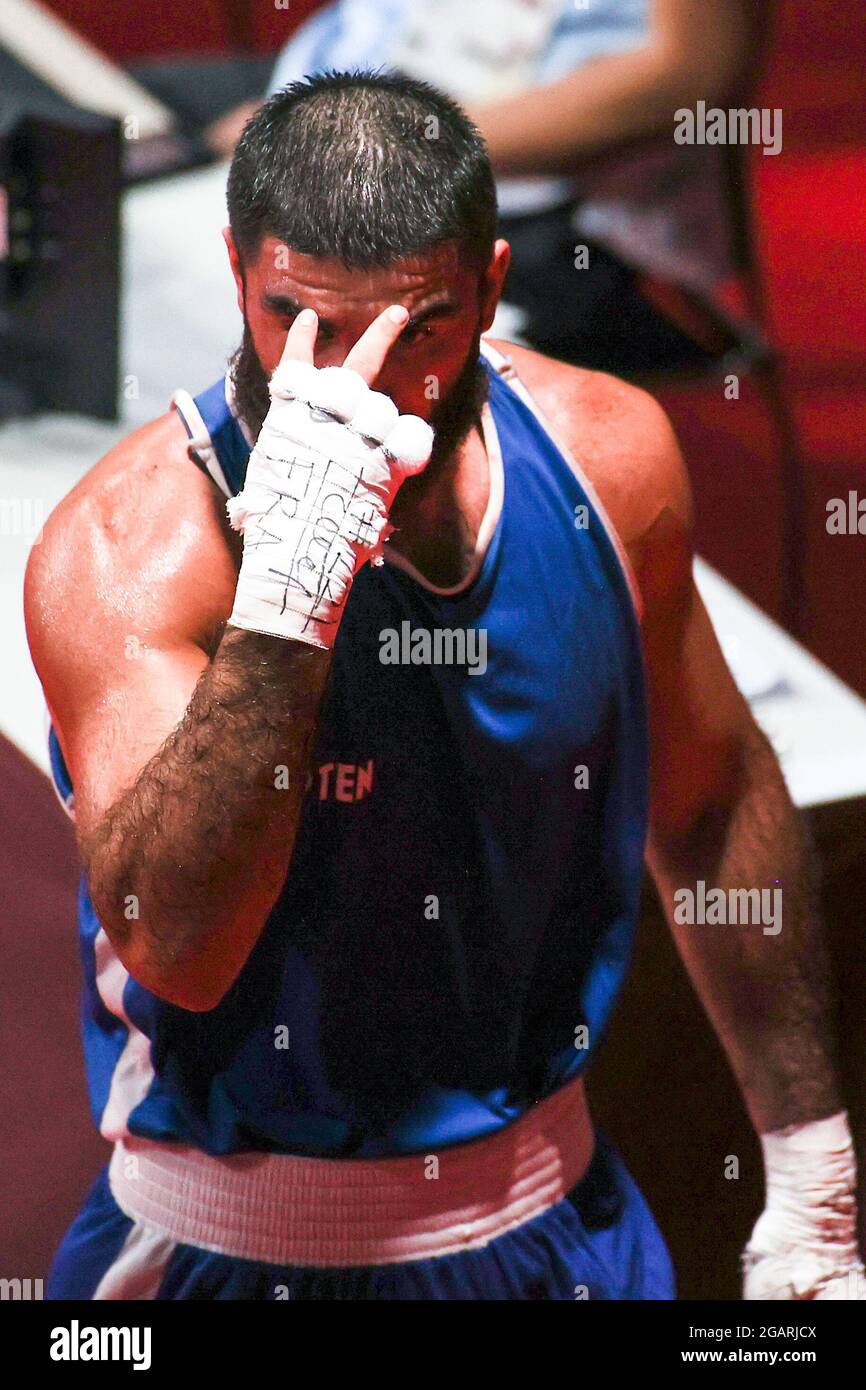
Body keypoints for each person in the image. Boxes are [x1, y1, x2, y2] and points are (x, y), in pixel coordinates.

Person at [27, 72, 863, 1301]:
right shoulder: (132, 552)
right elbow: (180, 947)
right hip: (231, 1256)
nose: (355, 378)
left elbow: (707, 797)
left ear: (485, 283)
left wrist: (811, 1169)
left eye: (413, 328)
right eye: (295, 317)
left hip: (563, 1225)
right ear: (234, 267)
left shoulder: (604, 455)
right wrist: (285, 607)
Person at [208, 0, 762, 374]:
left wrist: (380, 143)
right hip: (360, 84)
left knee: (307, 340)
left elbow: (689, 71)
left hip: (554, 196)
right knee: (141, 152)